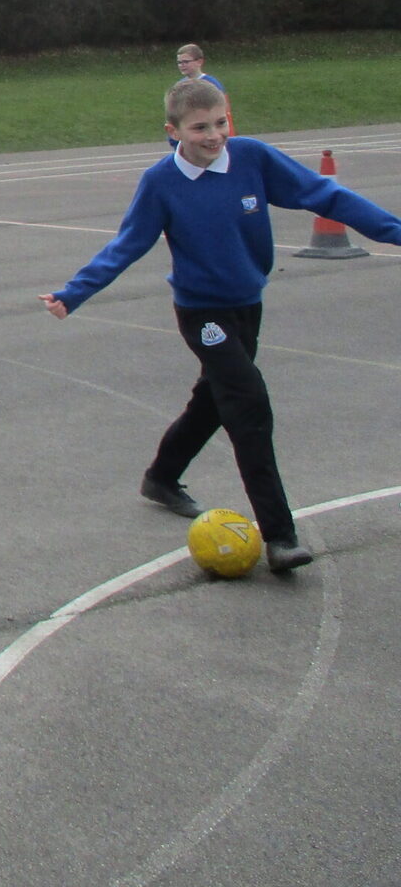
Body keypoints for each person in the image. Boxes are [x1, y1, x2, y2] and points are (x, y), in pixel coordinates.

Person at [40, 77, 401, 572]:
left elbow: (327, 197)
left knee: (214, 398)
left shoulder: (252, 158)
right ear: (174, 131)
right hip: (201, 312)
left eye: (221, 122)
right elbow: (127, 244)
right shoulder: (161, 182)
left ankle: (162, 477)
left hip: (247, 304)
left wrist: (396, 232)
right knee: (248, 402)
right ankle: (280, 536)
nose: (214, 135)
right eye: (200, 127)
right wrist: (73, 293)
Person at [170, 45, 227, 142]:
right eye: (179, 63)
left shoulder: (211, 83)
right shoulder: (180, 85)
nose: (182, 65)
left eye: (186, 62)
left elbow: (223, 110)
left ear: (199, 62)